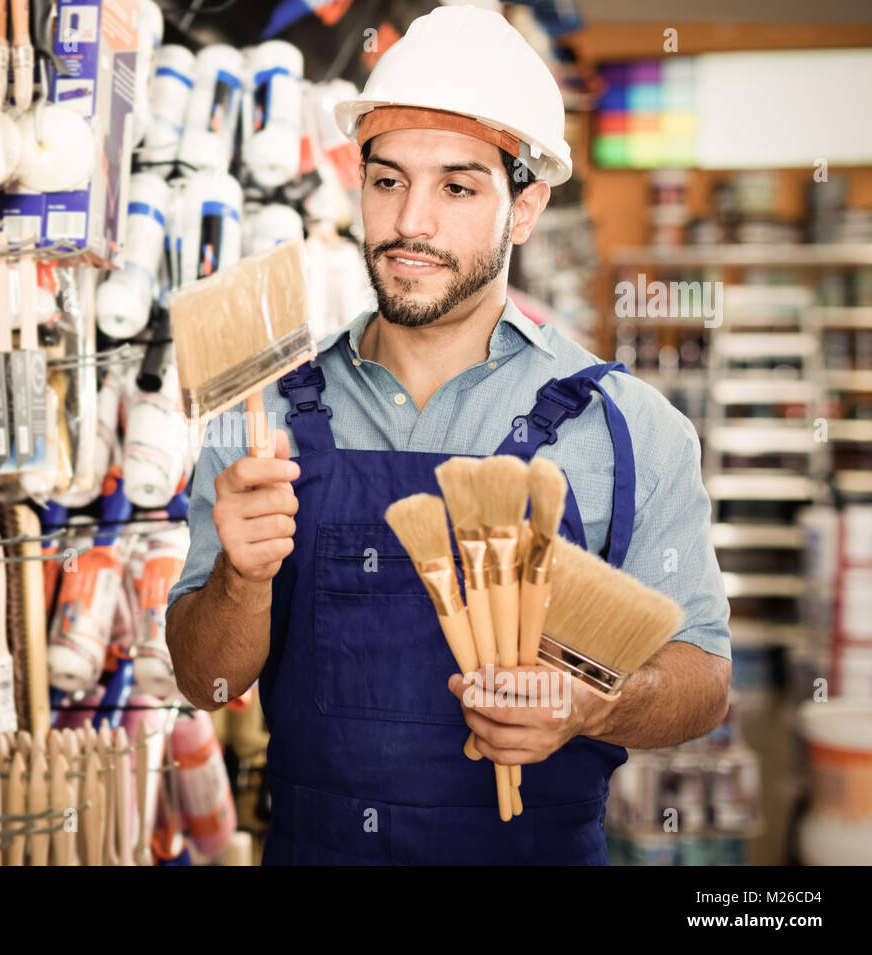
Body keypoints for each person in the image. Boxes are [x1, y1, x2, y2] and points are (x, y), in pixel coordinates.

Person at [165, 4, 731, 865]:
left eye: (458, 186)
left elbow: (704, 684)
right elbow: (206, 681)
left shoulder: (624, 427)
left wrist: (594, 705)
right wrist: (243, 580)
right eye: (387, 180)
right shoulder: (265, 414)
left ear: (526, 205)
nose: (410, 224)